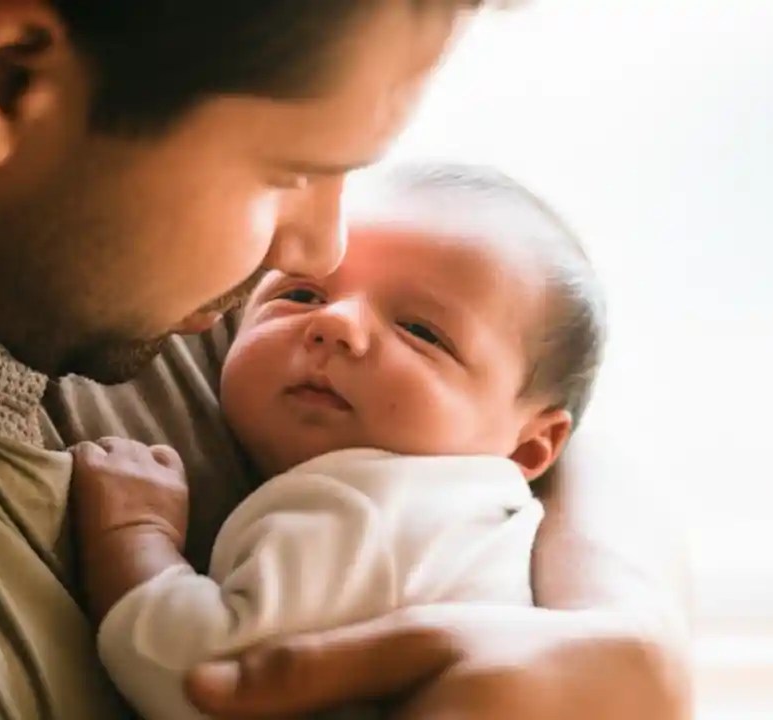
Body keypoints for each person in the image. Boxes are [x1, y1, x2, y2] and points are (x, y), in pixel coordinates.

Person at [0, 1, 688, 718]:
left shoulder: (156, 266)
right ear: (2, 81)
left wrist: (627, 634)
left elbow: (534, 418)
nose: (320, 254)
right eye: (287, 172)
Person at [70, 164, 605, 720]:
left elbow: (205, 680)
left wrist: (134, 535)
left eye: (421, 332)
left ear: (529, 447)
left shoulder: (372, 505)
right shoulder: (473, 519)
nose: (336, 324)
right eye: (300, 294)